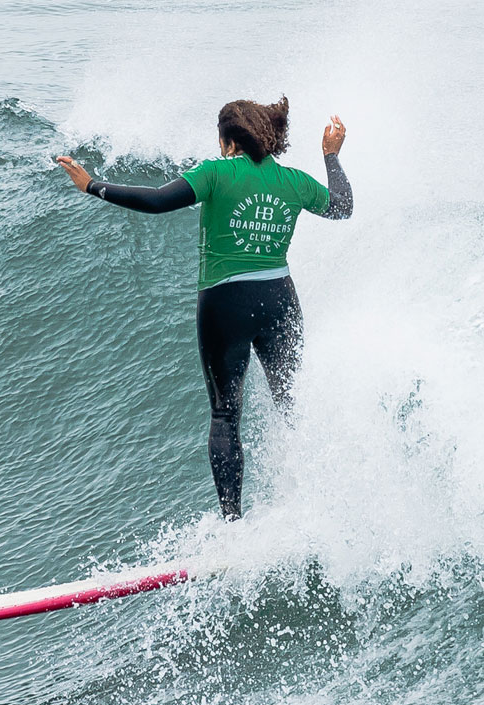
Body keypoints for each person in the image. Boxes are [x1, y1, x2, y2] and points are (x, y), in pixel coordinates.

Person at [55, 98, 351, 519]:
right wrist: (331, 156)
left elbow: (157, 201)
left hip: (227, 302)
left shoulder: (216, 172)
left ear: (229, 141)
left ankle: (233, 525)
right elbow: (343, 206)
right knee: (290, 402)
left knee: (226, 414)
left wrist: (91, 185)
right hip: (280, 299)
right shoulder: (294, 181)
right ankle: (312, 501)